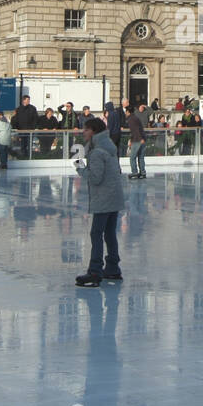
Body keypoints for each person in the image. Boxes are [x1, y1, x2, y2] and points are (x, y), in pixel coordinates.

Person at [74, 117, 125, 287]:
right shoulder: (110, 146)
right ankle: (112, 267)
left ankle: (95, 270)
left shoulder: (96, 152)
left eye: (86, 129)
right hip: (115, 196)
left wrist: (81, 169)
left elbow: (95, 178)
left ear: (94, 131)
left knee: (96, 233)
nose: (83, 132)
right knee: (109, 233)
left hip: (104, 198)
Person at [127, 103, 147, 179]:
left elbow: (135, 130)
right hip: (141, 139)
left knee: (132, 157)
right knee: (141, 157)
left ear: (128, 112)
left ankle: (134, 172)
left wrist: (135, 139)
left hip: (137, 140)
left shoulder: (131, 119)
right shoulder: (136, 117)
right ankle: (142, 172)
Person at [13, 95, 38, 160]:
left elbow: (35, 119)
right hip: (21, 130)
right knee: (23, 145)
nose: (28, 101)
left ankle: (30, 157)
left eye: (29, 100)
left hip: (30, 130)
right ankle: (23, 157)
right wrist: (17, 129)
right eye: (27, 100)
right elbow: (16, 119)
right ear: (23, 100)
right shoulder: (19, 109)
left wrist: (33, 127)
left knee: (29, 144)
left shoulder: (32, 108)